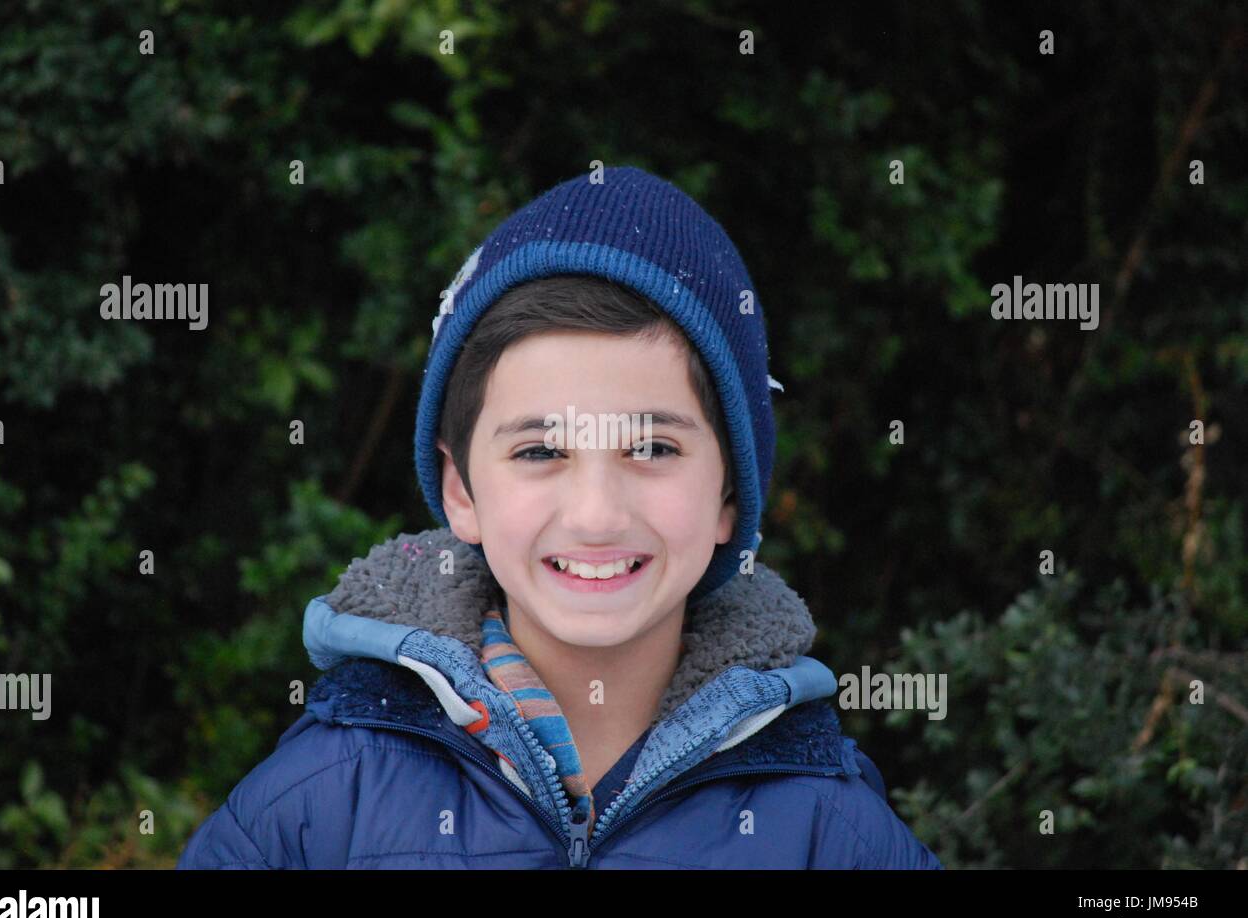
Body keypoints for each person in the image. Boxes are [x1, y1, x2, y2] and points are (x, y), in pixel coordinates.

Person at [176, 166, 943, 869]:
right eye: (541, 451)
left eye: (652, 446)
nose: (596, 514)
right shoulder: (323, 800)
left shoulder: (828, 834)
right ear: (462, 492)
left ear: (730, 495)